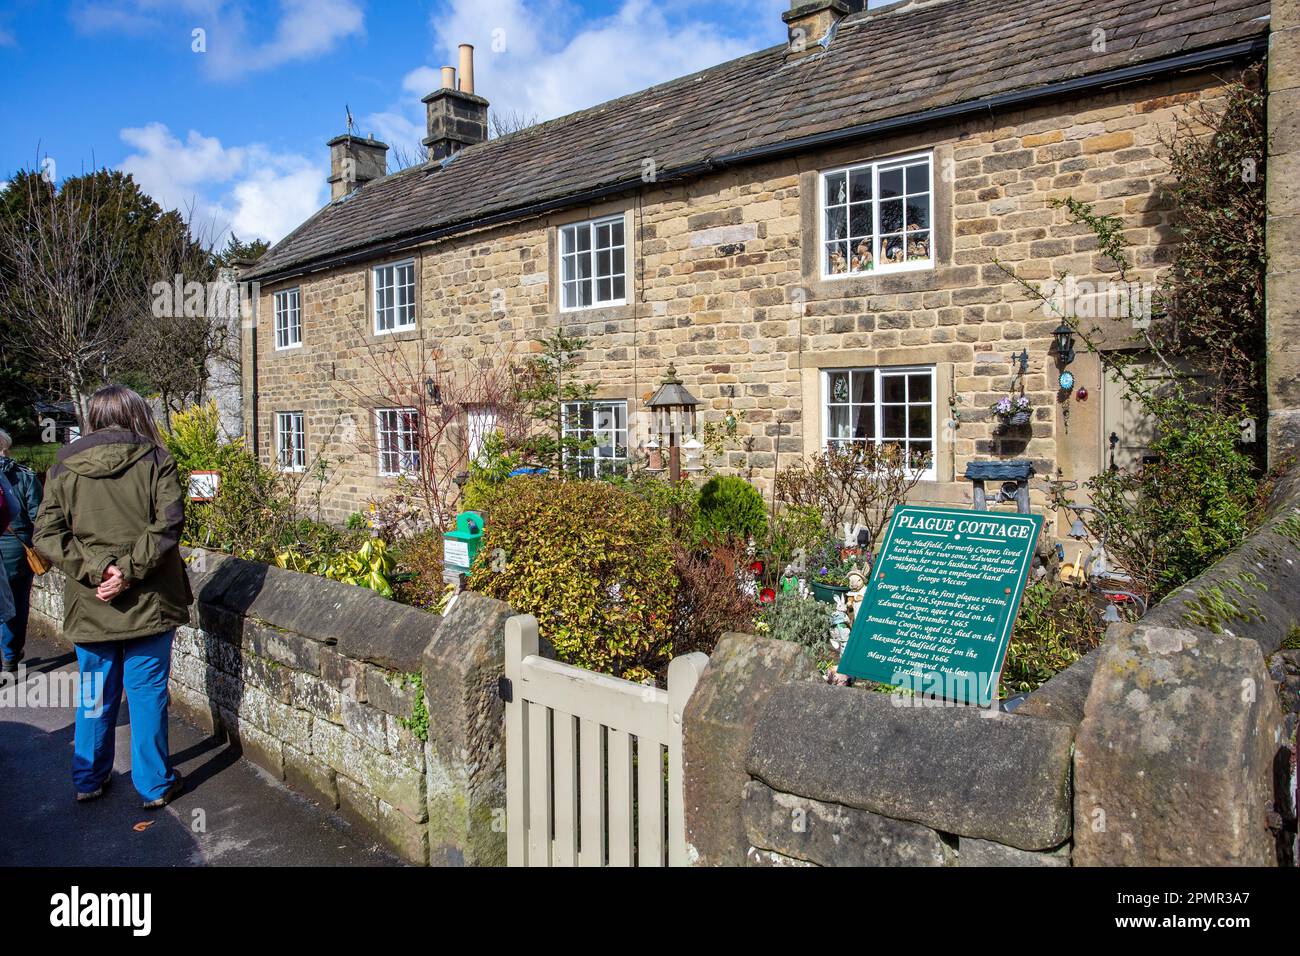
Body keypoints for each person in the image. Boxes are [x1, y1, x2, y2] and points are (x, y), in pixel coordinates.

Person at [34, 386, 191, 807]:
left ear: (94, 417)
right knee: (146, 693)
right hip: (150, 598)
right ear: (138, 413)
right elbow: (168, 526)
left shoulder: (63, 464)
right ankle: (154, 785)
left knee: (93, 693)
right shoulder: (157, 459)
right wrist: (125, 571)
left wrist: (98, 569)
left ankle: (88, 779)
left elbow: (47, 534)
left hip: (92, 602)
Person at [0, 429, 45, 673]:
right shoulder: (24, 476)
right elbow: (39, 516)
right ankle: (10, 656)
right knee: (16, 603)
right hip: (16, 550)